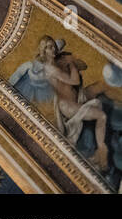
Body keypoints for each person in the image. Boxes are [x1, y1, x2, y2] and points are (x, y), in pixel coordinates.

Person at [9, 36, 118, 171]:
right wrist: (72, 63)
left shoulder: (54, 64)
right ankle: (102, 150)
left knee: (98, 99)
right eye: (49, 47)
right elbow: (75, 81)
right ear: (43, 50)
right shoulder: (50, 68)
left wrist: (70, 61)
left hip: (71, 101)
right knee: (101, 115)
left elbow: (77, 61)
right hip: (67, 105)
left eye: (54, 46)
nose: (53, 49)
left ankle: (99, 150)